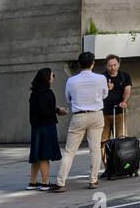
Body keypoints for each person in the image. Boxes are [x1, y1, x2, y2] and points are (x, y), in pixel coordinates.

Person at [53, 52, 108, 193]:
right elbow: (104, 94)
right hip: (96, 115)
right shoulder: (101, 78)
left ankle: (60, 182)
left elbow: (68, 98)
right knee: (95, 148)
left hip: (79, 116)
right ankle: (93, 179)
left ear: (79, 64)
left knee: (70, 151)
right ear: (93, 63)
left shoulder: (71, 81)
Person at [27, 68, 68, 190]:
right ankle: (45, 183)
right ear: (47, 78)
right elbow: (46, 111)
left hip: (36, 127)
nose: (54, 77)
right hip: (47, 126)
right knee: (45, 155)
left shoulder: (34, 93)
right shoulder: (48, 93)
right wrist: (58, 110)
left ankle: (33, 182)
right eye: (52, 75)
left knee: (36, 155)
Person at [102, 54, 133, 151]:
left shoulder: (125, 76)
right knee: (103, 140)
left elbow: (127, 91)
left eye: (115, 65)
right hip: (104, 113)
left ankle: (120, 161)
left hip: (119, 112)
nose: (113, 68)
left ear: (119, 65)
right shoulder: (102, 78)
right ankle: (107, 163)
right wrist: (107, 88)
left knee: (121, 139)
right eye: (110, 66)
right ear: (106, 66)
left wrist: (124, 101)